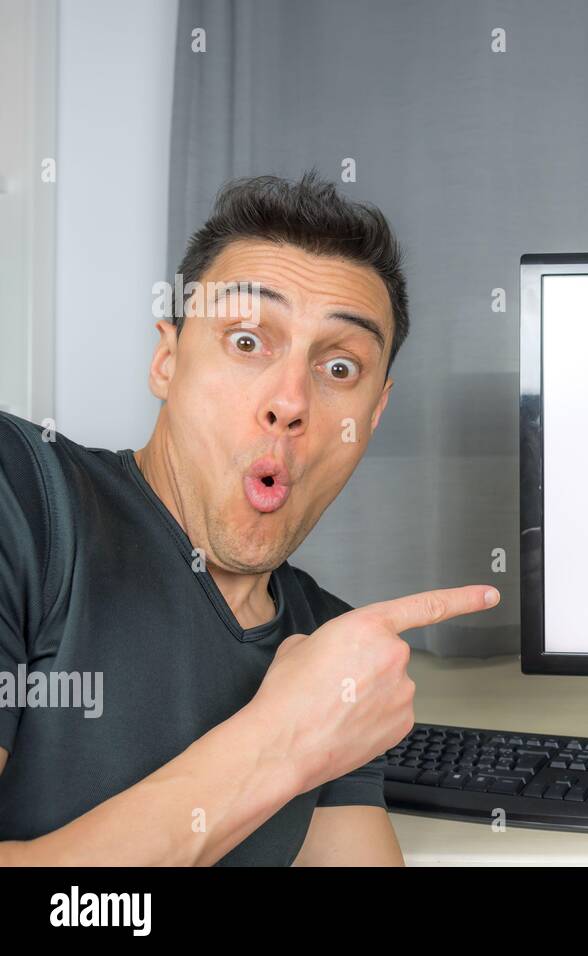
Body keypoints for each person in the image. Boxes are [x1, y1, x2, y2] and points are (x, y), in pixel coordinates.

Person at [0, 172, 497, 865]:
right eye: (245, 342)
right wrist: (281, 740)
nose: (289, 400)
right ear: (167, 359)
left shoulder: (329, 645)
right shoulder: (22, 495)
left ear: (375, 413)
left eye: (339, 368)